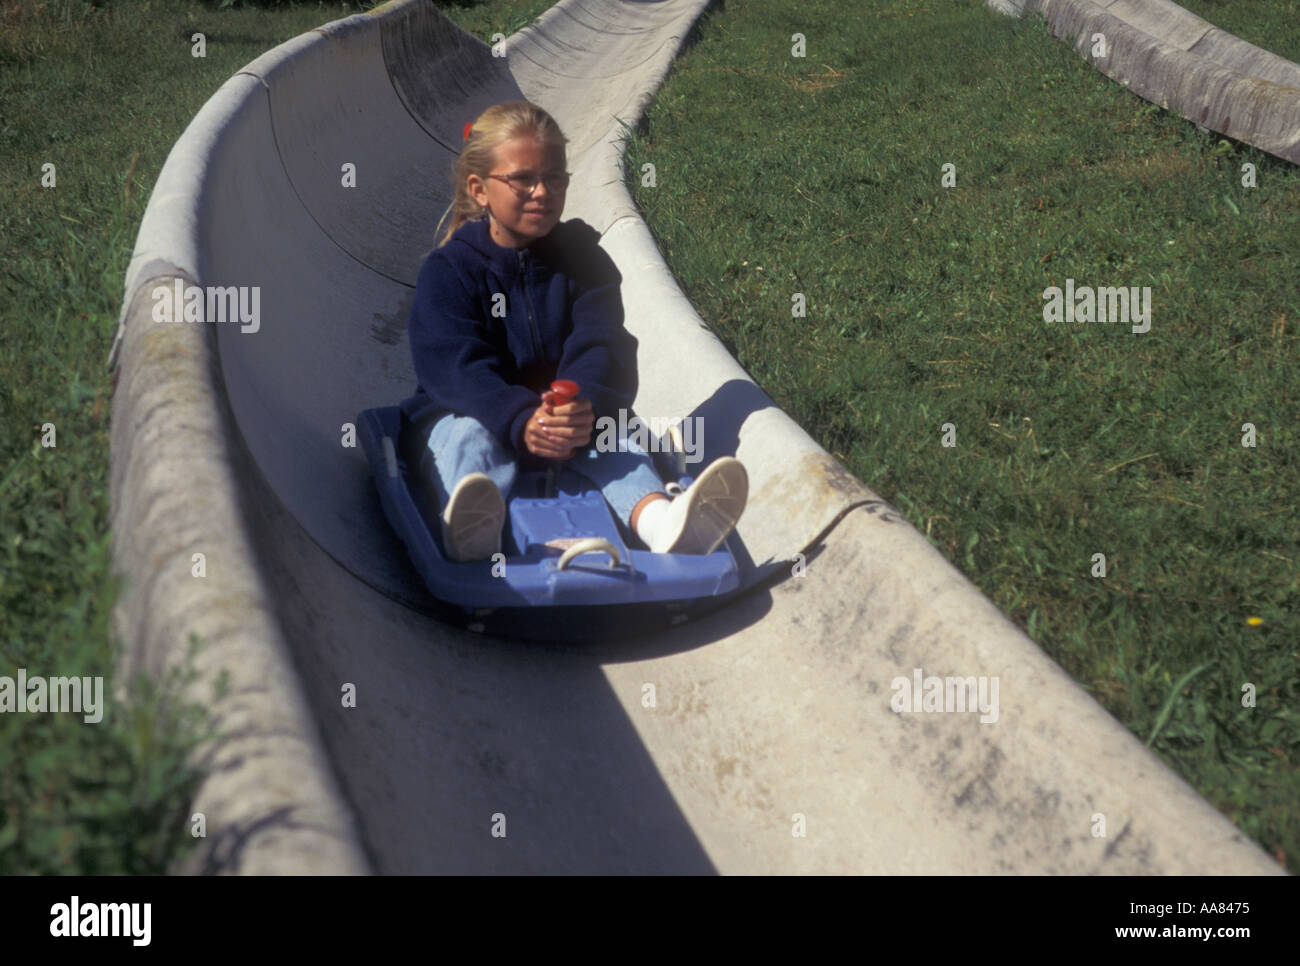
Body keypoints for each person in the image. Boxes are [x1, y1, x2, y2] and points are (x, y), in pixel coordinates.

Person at [399, 101, 747, 562]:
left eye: (555, 177)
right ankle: (474, 527)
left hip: (567, 418)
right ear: (480, 190)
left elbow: (603, 341)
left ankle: (661, 522)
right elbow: (454, 365)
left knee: (615, 437)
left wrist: (581, 404)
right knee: (468, 441)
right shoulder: (452, 270)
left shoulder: (583, 257)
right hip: (480, 411)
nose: (542, 191)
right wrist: (520, 418)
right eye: (523, 179)